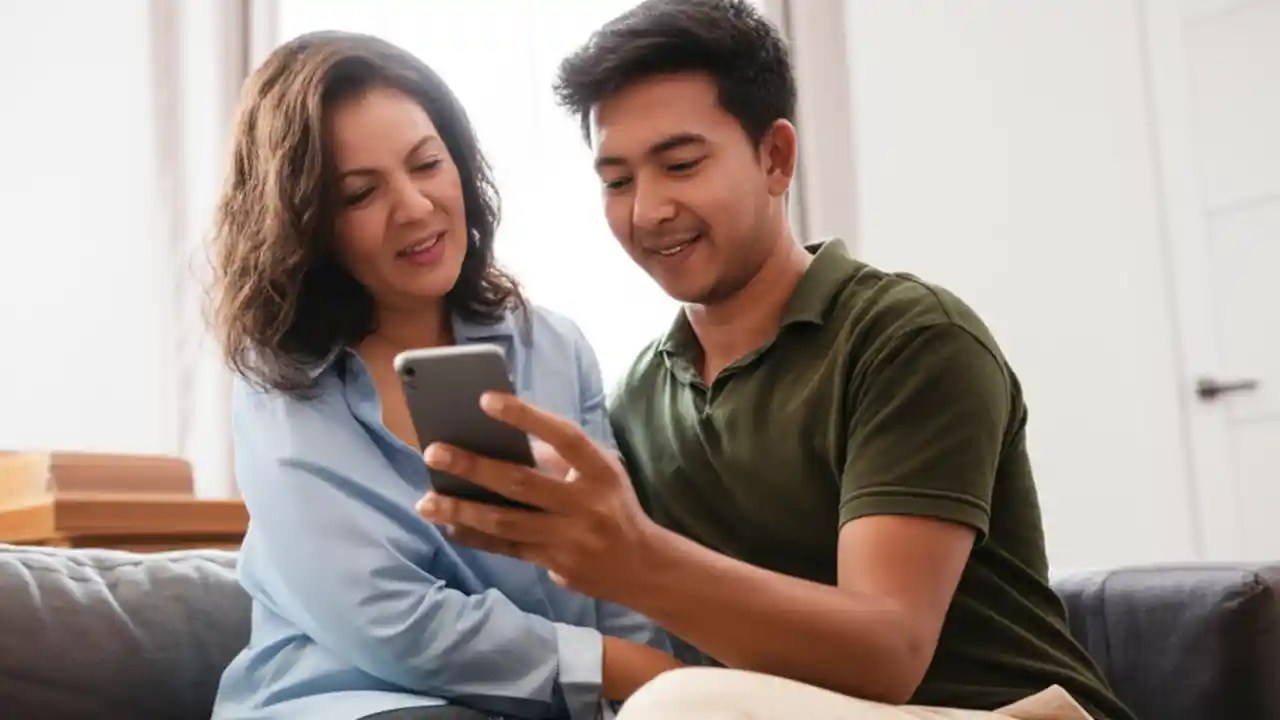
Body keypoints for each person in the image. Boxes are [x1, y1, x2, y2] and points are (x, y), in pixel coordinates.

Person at [415, 2, 1135, 719]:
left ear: (776, 158)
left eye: (681, 164)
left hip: (1004, 713)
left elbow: (887, 654)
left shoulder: (909, 338)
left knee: (673, 709)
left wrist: (635, 559)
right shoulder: (636, 398)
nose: (648, 210)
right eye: (618, 180)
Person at [207, 31, 682, 720]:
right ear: (308, 224)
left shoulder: (551, 347)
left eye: (426, 164)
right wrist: (623, 669)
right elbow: (387, 620)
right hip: (347, 703)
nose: (415, 206)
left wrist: (663, 692)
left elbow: (616, 563)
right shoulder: (282, 388)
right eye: (361, 194)